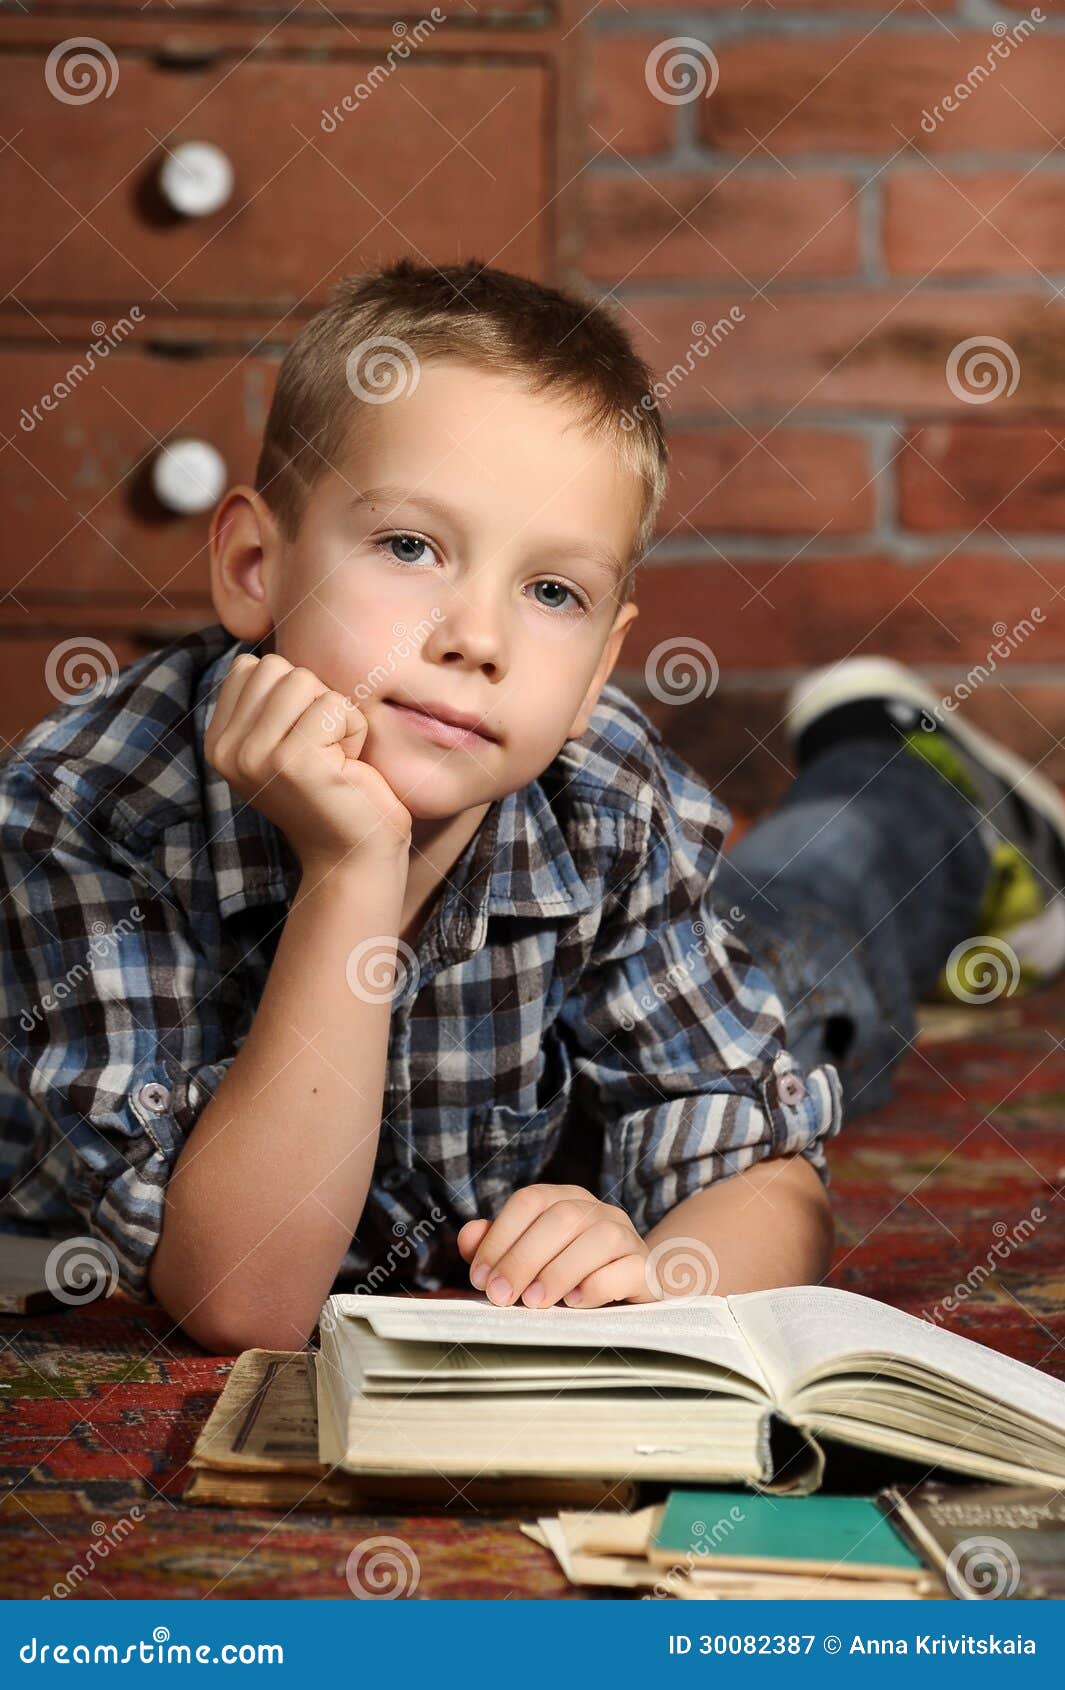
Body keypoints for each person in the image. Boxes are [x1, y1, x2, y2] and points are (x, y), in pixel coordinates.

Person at [1, 259, 1062, 1354]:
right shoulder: (86, 807)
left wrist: (655, 1275)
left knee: (812, 952)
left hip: (689, 963)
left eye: (552, 591)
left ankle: (914, 786)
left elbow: (768, 1182)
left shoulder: (603, 791)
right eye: (409, 546)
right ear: (254, 565)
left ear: (600, 665)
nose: (478, 638)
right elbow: (242, 1301)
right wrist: (352, 871)